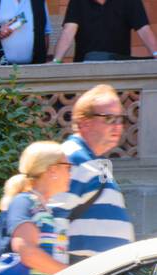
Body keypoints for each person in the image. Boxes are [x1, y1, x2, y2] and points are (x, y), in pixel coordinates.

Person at [53, 84, 135, 260]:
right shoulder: (70, 158)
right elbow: (51, 221)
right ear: (84, 123)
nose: (118, 126)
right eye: (109, 118)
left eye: (120, 119)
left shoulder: (92, 161)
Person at [0, 141, 72, 275]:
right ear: (52, 170)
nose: (70, 173)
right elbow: (27, 251)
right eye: (68, 167)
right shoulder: (24, 202)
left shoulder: (43, 208)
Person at [52, 0, 157, 62]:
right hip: (85, 71)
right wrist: (56, 61)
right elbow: (68, 32)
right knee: (93, 57)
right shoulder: (78, 2)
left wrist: (156, 54)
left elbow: (144, 31)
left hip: (118, 69)